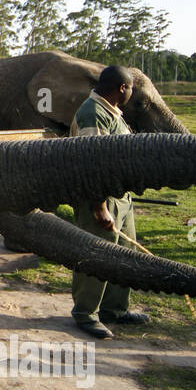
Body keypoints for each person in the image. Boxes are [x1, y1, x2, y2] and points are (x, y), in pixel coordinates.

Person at [69, 66, 152, 339]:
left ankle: (115, 309)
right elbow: (91, 166)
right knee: (96, 256)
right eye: (130, 89)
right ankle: (85, 313)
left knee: (125, 256)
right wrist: (99, 206)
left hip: (121, 198)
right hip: (101, 199)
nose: (130, 94)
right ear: (122, 89)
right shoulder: (93, 113)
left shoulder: (110, 112)